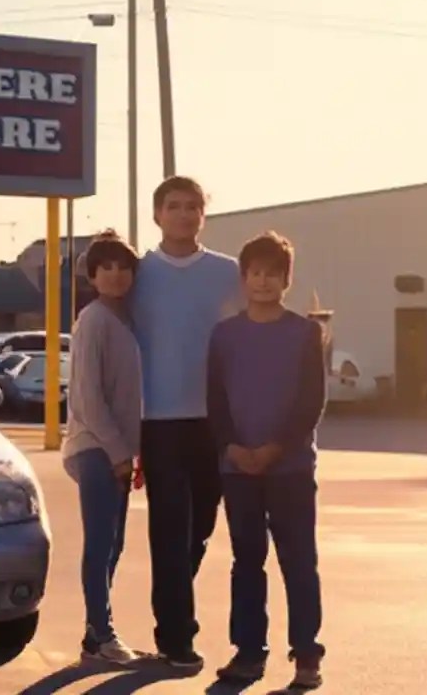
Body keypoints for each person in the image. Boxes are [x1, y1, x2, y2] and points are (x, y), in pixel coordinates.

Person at [207, 231, 327, 691]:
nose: (262, 281)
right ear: (243, 278)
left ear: (286, 280)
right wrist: (234, 447)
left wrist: (276, 448)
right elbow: (215, 400)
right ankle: (248, 650)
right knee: (247, 560)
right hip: (237, 469)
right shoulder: (224, 335)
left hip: (291, 469)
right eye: (254, 273)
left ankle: (307, 654)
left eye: (272, 274)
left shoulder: (305, 332)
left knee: (298, 560)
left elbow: (311, 402)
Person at [131, 176, 242, 671]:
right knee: (170, 529)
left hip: (215, 422)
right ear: (157, 215)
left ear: (203, 214)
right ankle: (177, 637)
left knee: (200, 528)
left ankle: (173, 600)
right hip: (158, 423)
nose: (182, 214)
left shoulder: (229, 273)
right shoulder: (136, 273)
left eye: (192, 206)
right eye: (173, 206)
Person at [63, 229, 145, 665]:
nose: (115, 274)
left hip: (118, 451)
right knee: (100, 542)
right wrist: (117, 453)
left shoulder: (127, 319)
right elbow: (88, 398)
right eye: (105, 267)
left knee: (114, 544)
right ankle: (102, 634)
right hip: (94, 448)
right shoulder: (93, 319)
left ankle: (98, 636)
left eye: (123, 266)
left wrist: (135, 453)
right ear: (92, 276)